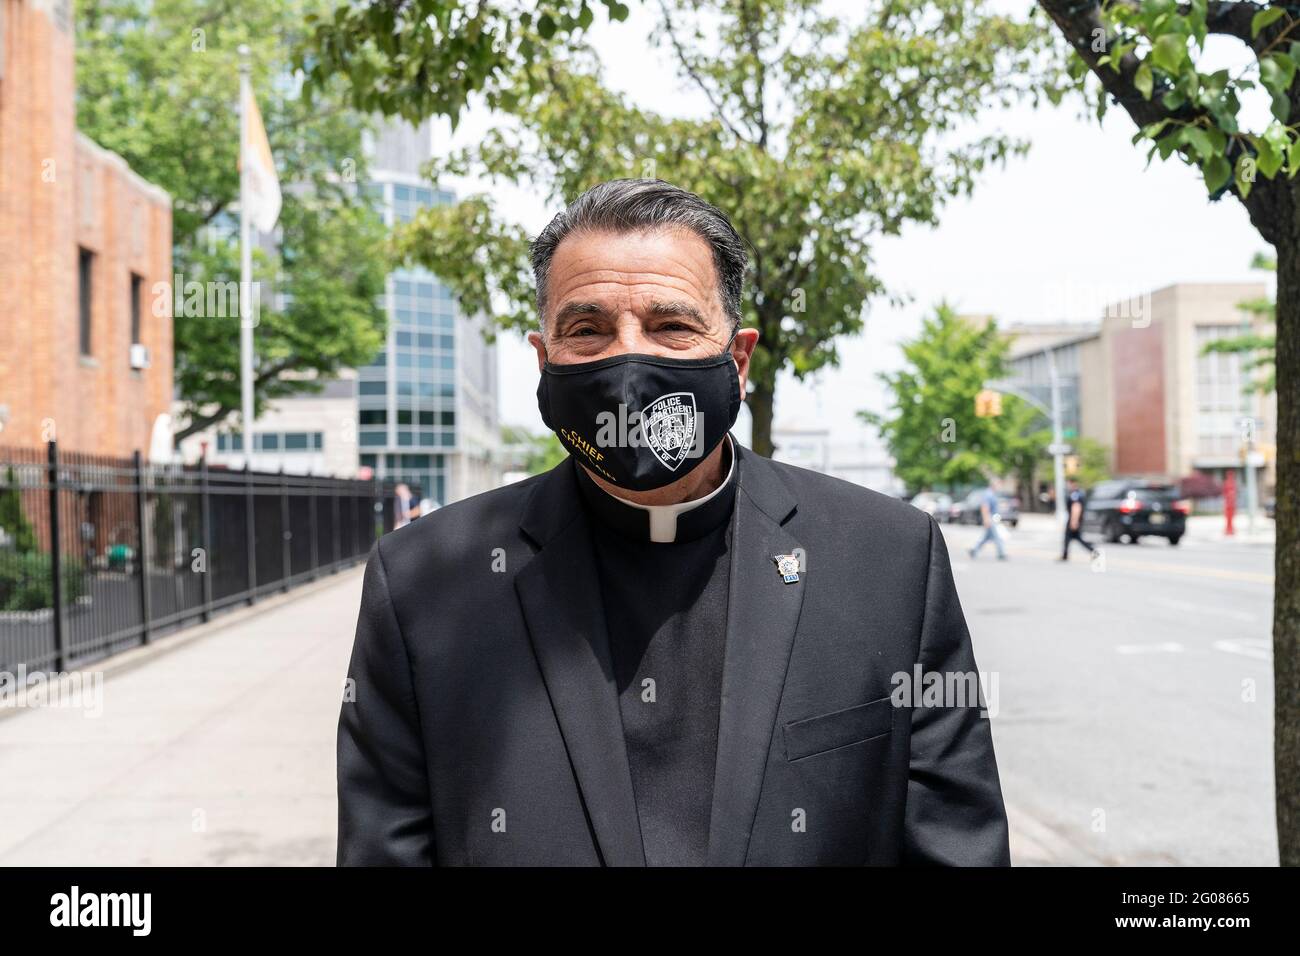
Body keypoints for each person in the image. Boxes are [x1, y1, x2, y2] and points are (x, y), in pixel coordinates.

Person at [337, 179, 1008, 866]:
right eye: (588, 329)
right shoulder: (426, 583)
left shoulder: (887, 560)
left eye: (672, 326)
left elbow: (956, 846)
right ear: (544, 362)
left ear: (737, 359)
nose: (630, 363)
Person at [967, 480, 1007, 561]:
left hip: (993, 518)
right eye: (998, 485)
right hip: (990, 519)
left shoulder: (992, 494)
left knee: (986, 538)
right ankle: (1001, 553)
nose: (999, 487)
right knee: (997, 537)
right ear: (993, 485)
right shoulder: (988, 494)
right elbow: (985, 507)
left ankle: (974, 550)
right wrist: (986, 519)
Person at [1060, 476, 1097, 561]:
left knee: (1071, 537)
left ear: (1073, 483)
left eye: (1068, 483)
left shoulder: (1075, 494)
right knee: (1073, 538)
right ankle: (1065, 555)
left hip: (1074, 519)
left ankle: (1093, 550)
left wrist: (1074, 521)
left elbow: (1076, 508)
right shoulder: (1078, 493)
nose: (1067, 486)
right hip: (1076, 519)